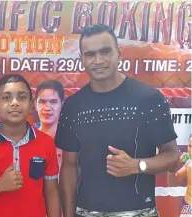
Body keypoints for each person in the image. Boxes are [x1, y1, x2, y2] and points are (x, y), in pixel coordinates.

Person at [55, 24, 179, 217]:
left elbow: (172, 157)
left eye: (105, 51)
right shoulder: (73, 106)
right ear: (81, 59)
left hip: (139, 211)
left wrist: (138, 165)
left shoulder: (149, 99)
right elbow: (69, 167)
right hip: (86, 212)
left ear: (119, 53)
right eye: (90, 54)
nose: (98, 60)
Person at [0, 74, 61, 217]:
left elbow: (51, 193)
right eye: (6, 97)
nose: (15, 103)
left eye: (22, 97)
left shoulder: (46, 143)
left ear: (31, 104)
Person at [36, 80, 65, 167]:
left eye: (53, 102)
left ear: (62, 105)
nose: (47, 108)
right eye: (42, 102)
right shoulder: (27, 139)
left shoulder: (71, 140)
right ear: (35, 104)